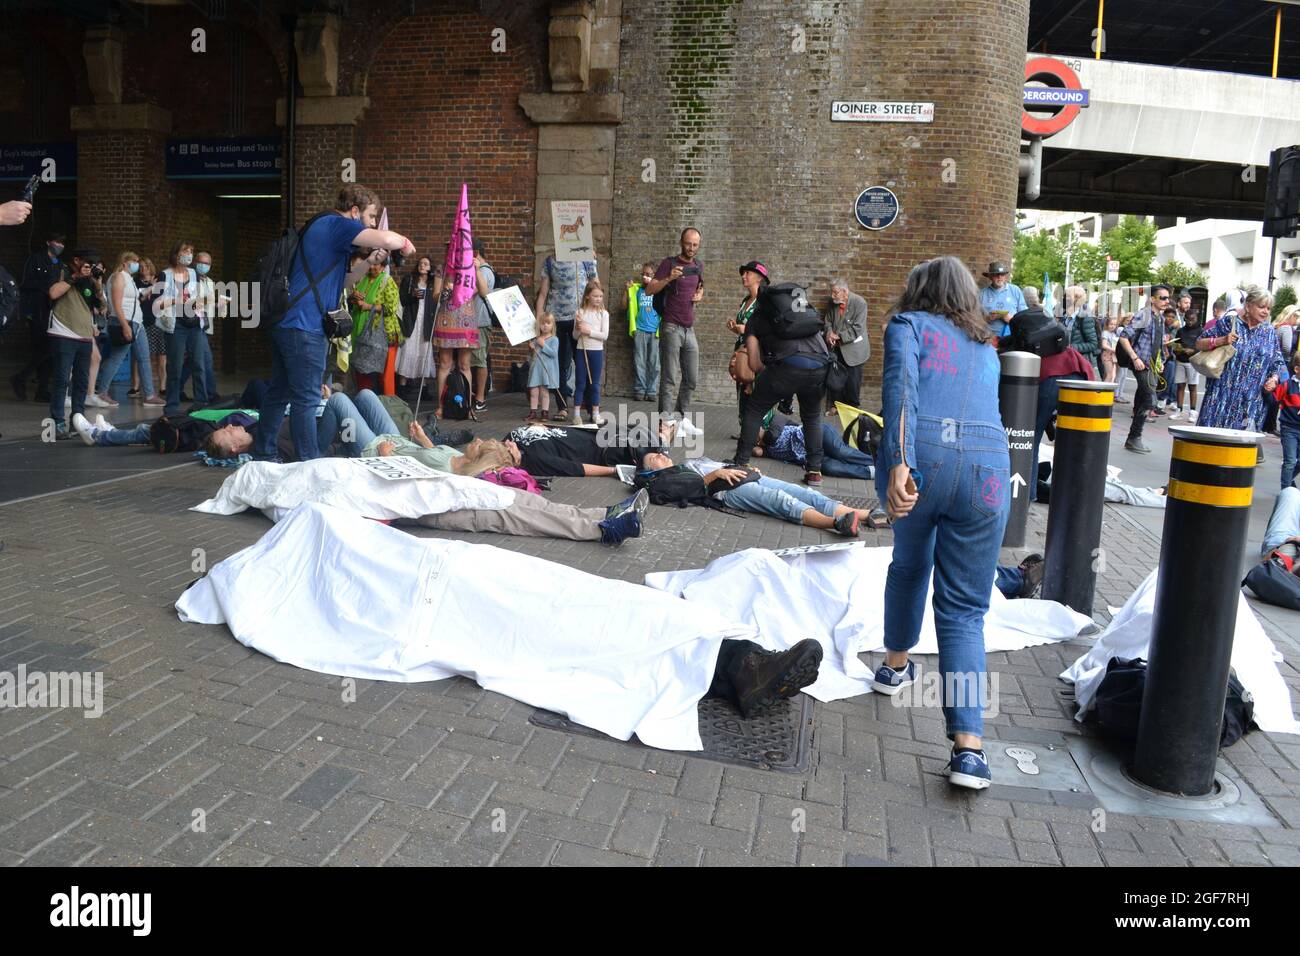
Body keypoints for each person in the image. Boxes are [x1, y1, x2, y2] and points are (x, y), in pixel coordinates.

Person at [873, 256, 1010, 791]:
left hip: (926, 457)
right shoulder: (986, 348)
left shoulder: (906, 326)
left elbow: (900, 393)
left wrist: (900, 460)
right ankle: (969, 750)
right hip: (988, 472)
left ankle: (894, 665)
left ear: (917, 287)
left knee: (909, 563)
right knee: (964, 608)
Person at [255, 185, 414, 462]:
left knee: (279, 392)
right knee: (306, 398)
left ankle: (265, 453)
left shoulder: (327, 231)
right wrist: (402, 242)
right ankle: (308, 462)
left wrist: (371, 260)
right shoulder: (338, 224)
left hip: (290, 324)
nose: (373, 223)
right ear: (354, 211)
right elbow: (387, 238)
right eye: (371, 216)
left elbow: (343, 283)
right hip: (305, 327)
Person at [730, 271, 833, 485]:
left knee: (755, 408)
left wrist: (768, 372)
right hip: (821, 366)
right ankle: (814, 470)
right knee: (812, 416)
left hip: (789, 367)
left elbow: (754, 364)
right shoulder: (801, 316)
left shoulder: (757, 320)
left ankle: (740, 464)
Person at [636, 451, 879, 536]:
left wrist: (743, 467)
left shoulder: (688, 460)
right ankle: (836, 523)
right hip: (727, 489)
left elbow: (721, 462)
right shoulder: (664, 480)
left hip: (740, 475)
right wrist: (714, 476)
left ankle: (867, 514)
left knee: (801, 491)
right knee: (782, 501)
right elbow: (685, 491)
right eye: (654, 458)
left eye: (659, 452)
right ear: (652, 470)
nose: (661, 455)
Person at [1195, 286, 1288, 444]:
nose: (1266, 311)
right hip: (1220, 399)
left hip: (1251, 402)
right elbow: (1198, 343)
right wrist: (1221, 340)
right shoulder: (1229, 323)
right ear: (1248, 305)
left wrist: (1274, 378)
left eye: (1268, 308)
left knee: (1240, 452)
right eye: (1261, 306)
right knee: (1213, 445)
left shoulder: (1269, 331)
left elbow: (1278, 361)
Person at [645, 228, 705, 422]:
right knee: (669, 378)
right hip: (671, 326)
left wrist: (700, 295)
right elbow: (649, 290)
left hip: (689, 329)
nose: (691, 248)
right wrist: (669, 278)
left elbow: (700, 287)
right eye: (688, 243)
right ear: (681, 242)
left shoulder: (698, 265)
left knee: (691, 379)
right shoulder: (668, 264)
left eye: (695, 245)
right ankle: (664, 422)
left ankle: (680, 419)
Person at [45, 249, 104, 439]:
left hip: (85, 336)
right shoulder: (63, 271)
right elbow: (53, 293)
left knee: (81, 381)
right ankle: (57, 423)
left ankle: (78, 421)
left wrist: (98, 284)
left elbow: (102, 307)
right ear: (76, 260)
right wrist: (76, 276)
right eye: (86, 263)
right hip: (63, 332)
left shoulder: (91, 281)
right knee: (62, 379)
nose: (89, 267)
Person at [534, 249, 599, 420]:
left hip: (579, 319)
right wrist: (538, 321)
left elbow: (596, 288)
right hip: (557, 320)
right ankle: (562, 406)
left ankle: (590, 406)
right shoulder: (550, 261)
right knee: (560, 364)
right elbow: (543, 294)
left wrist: (597, 316)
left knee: (584, 361)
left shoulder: (586, 259)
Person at [95, 251, 163, 408]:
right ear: (125, 262)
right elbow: (117, 304)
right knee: (117, 357)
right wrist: (125, 325)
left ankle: (150, 395)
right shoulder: (119, 276)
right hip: (125, 321)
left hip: (136, 322)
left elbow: (131, 300)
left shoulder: (128, 278)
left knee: (144, 358)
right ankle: (102, 392)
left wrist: (145, 295)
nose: (137, 264)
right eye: (134, 261)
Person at [1115, 284, 1170, 453]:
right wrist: (1135, 357)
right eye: (1163, 298)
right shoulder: (1143, 315)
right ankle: (1135, 437)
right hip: (1141, 364)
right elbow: (1124, 337)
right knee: (1149, 400)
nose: (1167, 301)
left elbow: (1157, 343)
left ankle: (1132, 439)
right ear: (1152, 299)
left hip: (1152, 365)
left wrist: (1160, 360)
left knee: (1141, 399)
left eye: (1168, 298)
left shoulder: (1159, 318)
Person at [11, 230, 64, 403]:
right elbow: (25, 282)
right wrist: (47, 288)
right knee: (43, 348)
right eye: (57, 242)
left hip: (52, 311)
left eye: (62, 243)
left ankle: (40, 388)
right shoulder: (35, 259)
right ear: (49, 242)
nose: (60, 246)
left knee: (47, 350)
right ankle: (23, 378)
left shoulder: (59, 263)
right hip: (37, 310)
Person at [157, 239, 209, 415]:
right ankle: (172, 405)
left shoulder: (194, 274)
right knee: (176, 366)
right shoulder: (165, 275)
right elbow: (157, 304)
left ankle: (201, 403)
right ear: (176, 254)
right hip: (176, 324)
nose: (189, 255)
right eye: (185, 251)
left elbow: (198, 295)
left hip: (194, 323)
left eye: (191, 251)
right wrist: (175, 300)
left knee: (199, 364)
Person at [750, 410, 877, 481]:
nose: (755, 433)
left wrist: (763, 439)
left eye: (755, 429)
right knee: (830, 468)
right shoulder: (768, 449)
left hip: (816, 435)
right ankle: (871, 472)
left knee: (841, 453)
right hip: (812, 457)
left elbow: (772, 436)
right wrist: (755, 445)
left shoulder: (774, 423)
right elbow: (757, 452)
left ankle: (881, 463)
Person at [501, 422, 664, 478]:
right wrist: (616, 471)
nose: (479, 441)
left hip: (594, 433)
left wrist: (540, 427)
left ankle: (665, 438)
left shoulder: (510, 438)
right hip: (600, 452)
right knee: (652, 458)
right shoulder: (530, 459)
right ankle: (662, 463)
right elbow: (575, 469)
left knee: (646, 434)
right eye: (478, 446)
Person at [432, 241, 478, 420]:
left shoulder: (470, 269)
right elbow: (435, 297)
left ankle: (466, 406)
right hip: (446, 318)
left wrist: (477, 271)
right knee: (445, 363)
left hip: (466, 318)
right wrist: (445, 289)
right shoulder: (441, 269)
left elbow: (480, 291)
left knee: (465, 364)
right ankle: (441, 405)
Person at [348, 250, 403, 395]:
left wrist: (368, 307)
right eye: (371, 264)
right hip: (363, 334)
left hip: (384, 335)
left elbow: (391, 308)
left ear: (384, 266)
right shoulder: (363, 279)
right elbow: (353, 302)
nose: (372, 267)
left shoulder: (387, 281)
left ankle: (387, 406)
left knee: (385, 374)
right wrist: (353, 297)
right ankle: (364, 401)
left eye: (376, 265)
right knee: (362, 369)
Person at [727, 261, 769, 432]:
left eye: (748, 274)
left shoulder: (765, 301)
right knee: (742, 386)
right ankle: (745, 430)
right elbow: (743, 326)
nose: (743, 276)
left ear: (759, 277)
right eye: (743, 274)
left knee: (757, 390)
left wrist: (746, 329)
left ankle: (761, 432)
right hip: (742, 350)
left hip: (758, 353)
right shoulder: (746, 300)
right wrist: (736, 328)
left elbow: (768, 328)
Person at [822, 278, 870, 412]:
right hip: (837, 348)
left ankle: (852, 409)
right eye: (832, 292)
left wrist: (839, 336)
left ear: (844, 291)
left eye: (835, 293)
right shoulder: (833, 303)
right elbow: (828, 321)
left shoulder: (859, 303)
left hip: (855, 350)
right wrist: (829, 332)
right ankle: (836, 406)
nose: (832, 296)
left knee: (853, 381)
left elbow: (858, 328)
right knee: (836, 377)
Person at [395, 256, 438, 397]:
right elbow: (401, 299)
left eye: (426, 263)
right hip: (411, 320)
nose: (422, 265)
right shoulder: (410, 280)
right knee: (408, 349)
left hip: (425, 322)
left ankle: (423, 388)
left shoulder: (433, 283)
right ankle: (402, 386)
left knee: (424, 351)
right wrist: (412, 295)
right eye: (420, 263)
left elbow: (436, 302)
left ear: (430, 267)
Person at [572, 282, 610, 425]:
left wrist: (589, 331)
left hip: (596, 351)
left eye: (600, 296)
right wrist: (577, 327)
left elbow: (604, 335)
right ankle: (576, 414)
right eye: (595, 296)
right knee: (580, 382)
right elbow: (575, 336)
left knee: (595, 383)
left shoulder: (603, 314)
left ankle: (595, 413)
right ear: (587, 296)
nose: (598, 299)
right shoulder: (580, 313)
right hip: (582, 350)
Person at [623, 261, 660, 402]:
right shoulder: (637, 290)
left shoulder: (659, 291)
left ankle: (652, 391)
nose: (644, 277)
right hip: (639, 330)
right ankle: (640, 389)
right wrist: (627, 290)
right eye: (643, 274)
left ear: (655, 276)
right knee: (639, 361)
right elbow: (624, 306)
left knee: (654, 363)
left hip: (655, 331)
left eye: (648, 274)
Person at [468, 240, 496, 412]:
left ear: (476, 253)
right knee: (475, 359)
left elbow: (473, 291)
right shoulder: (485, 270)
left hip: (480, 321)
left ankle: (480, 398)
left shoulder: (484, 272)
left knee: (479, 360)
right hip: (476, 321)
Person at [1268, 353, 1300, 490]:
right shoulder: (1288, 385)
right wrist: (1267, 390)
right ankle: (1286, 489)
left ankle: (1289, 480)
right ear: (1297, 369)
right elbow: (1273, 400)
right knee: (1290, 461)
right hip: (1289, 428)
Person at [1169, 302, 1204, 422]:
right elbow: (1175, 345)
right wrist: (1180, 350)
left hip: (1193, 362)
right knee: (1180, 386)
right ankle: (1179, 409)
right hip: (1180, 361)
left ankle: (1193, 412)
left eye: (1192, 319)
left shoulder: (1201, 331)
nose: (1189, 322)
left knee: (1193, 387)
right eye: (1187, 319)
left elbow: (1203, 347)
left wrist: (1193, 350)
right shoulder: (1181, 331)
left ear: (1196, 319)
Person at [978, 260, 1026, 340]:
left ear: (1005, 276)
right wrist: (988, 318)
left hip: (1013, 337)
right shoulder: (982, 294)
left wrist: (1011, 320)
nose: (1000, 277)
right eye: (996, 275)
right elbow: (975, 319)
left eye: (1002, 274)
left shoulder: (1015, 290)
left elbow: (1024, 316)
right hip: (989, 338)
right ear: (990, 277)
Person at [525, 312, 560, 422]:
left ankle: (545, 412)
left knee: (544, 392)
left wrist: (543, 344)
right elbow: (532, 356)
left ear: (552, 325)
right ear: (539, 325)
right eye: (542, 323)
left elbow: (553, 353)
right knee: (533, 392)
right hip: (536, 369)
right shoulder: (536, 339)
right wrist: (531, 348)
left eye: (548, 323)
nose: (545, 325)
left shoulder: (554, 339)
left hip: (546, 370)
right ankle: (533, 412)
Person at [1062, 285, 1100, 374]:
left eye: (1067, 296)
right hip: (1066, 361)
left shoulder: (1085, 317)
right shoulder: (1064, 316)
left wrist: (1071, 347)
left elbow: (1093, 344)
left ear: (1076, 298)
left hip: (1079, 365)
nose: (1064, 298)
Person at [1099, 315, 1118, 384]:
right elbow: (1104, 345)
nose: (1113, 326)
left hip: (1112, 355)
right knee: (1109, 375)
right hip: (1106, 355)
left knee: (1112, 375)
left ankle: (1106, 391)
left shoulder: (1113, 334)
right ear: (1107, 324)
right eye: (1111, 324)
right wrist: (1114, 350)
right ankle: (1103, 391)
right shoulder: (1105, 333)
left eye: (1115, 324)